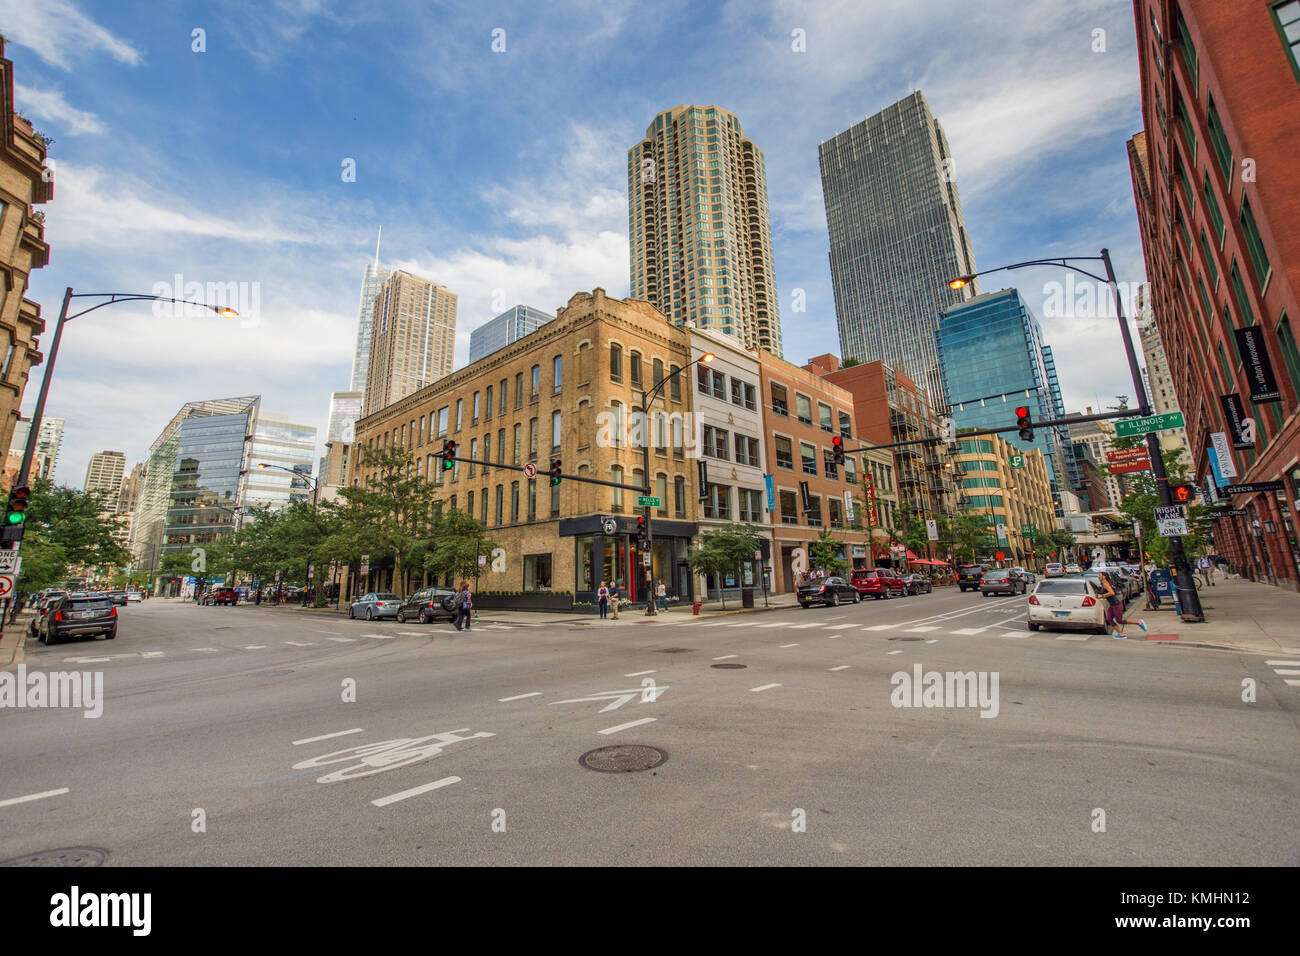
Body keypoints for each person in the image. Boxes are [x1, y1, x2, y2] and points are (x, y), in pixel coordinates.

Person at [1097, 570, 1146, 639]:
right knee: (1109, 619)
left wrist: (1102, 596)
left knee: (1120, 621)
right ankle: (1121, 634)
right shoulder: (1103, 584)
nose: (1098, 576)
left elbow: (1112, 593)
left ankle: (1139, 623)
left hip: (1116, 605)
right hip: (1112, 605)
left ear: (1104, 577)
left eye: (1100, 575)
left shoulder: (1105, 584)